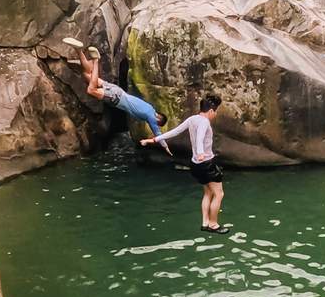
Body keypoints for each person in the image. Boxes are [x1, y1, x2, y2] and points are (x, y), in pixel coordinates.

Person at [142, 94, 228, 234]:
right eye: (216, 112)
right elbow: (200, 137)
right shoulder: (204, 122)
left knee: (207, 192)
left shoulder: (192, 119)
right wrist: (201, 153)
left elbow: (174, 132)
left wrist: (154, 140)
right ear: (211, 111)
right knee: (219, 194)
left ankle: (205, 222)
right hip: (206, 163)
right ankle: (213, 224)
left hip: (195, 165)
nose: (215, 115)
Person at [69, 40, 171, 156]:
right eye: (157, 124)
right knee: (91, 90)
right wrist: (166, 147)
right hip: (115, 98)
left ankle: (78, 50)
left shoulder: (150, 108)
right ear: (158, 120)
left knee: (87, 75)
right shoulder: (151, 117)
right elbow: (159, 135)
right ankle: (96, 60)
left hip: (118, 91)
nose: (155, 125)